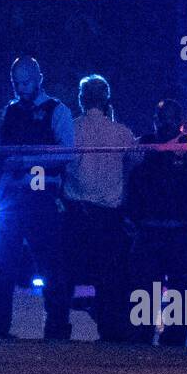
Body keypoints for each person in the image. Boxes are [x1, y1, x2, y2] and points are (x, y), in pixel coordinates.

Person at [0, 56, 75, 339]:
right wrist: (2, 165)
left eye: (26, 82)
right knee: (2, 264)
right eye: (16, 83)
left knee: (51, 266)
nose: (21, 88)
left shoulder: (56, 110)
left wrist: (26, 161)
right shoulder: (6, 113)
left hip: (43, 198)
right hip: (11, 198)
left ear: (39, 78)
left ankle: (57, 328)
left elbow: (68, 152)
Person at [123, 99, 187, 346]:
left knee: (155, 297)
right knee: (171, 299)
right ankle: (165, 350)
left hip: (160, 233)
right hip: (171, 234)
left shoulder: (140, 148)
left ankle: (148, 348)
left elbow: (126, 188)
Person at [62, 75, 136, 342]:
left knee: (66, 276)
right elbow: (133, 168)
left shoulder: (71, 130)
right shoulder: (122, 133)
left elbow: (64, 170)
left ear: (81, 99)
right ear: (106, 99)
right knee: (110, 281)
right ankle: (110, 334)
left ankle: (58, 330)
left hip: (77, 214)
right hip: (109, 217)